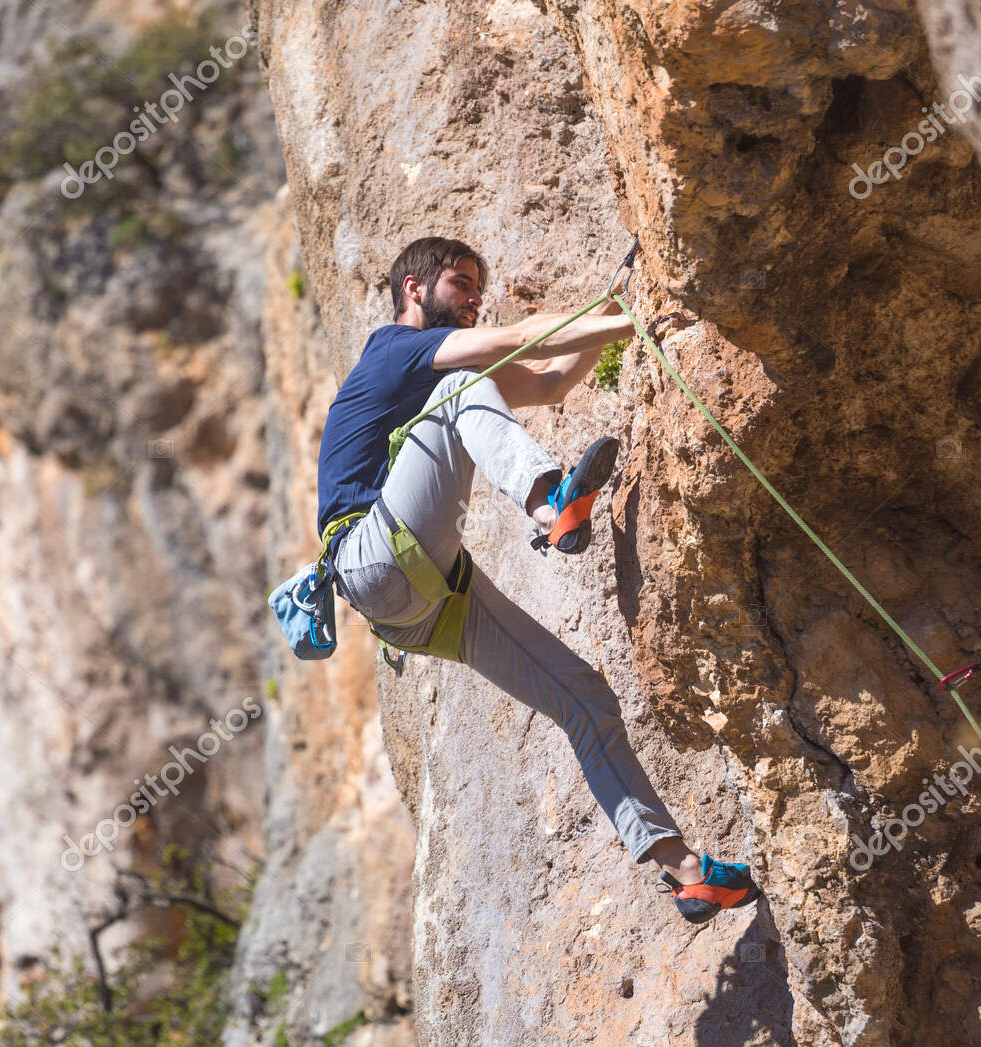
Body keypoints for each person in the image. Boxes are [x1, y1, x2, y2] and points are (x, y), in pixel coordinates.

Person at [315, 236, 756, 924]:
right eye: (460, 284)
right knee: (459, 385)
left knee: (583, 698)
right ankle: (552, 507)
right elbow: (520, 335)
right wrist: (640, 310)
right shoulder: (393, 351)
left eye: (475, 290)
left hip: (421, 606)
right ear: (412, 289)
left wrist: (612, 312)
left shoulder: (433, 374)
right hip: (371, 551)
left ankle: (690, 874)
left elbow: (549, 381)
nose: (472, 301)